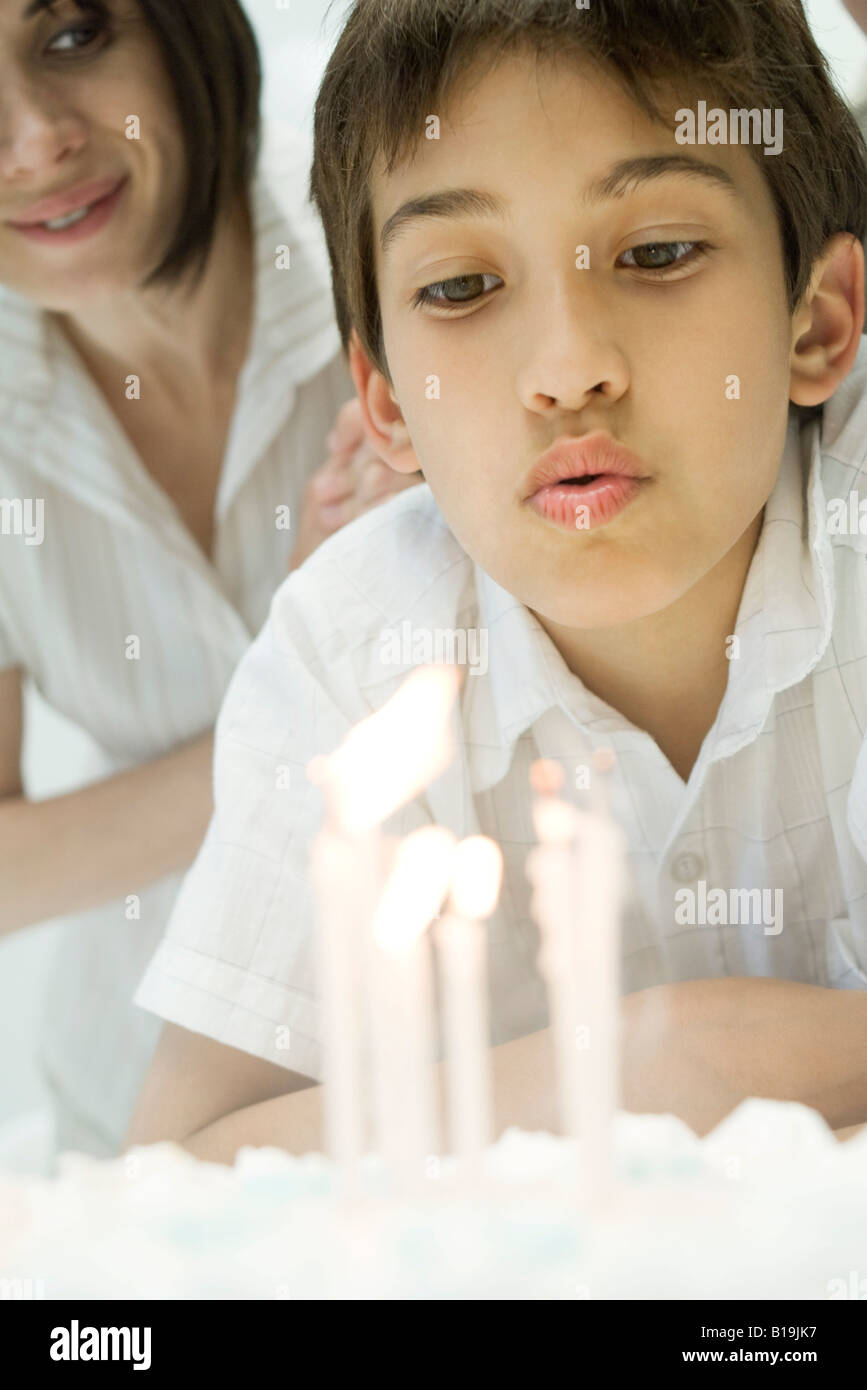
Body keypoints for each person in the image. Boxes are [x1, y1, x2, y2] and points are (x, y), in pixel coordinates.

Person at [127, 0, 867, 1161]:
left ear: (819, 323)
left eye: (657, 253)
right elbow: (179, 1160)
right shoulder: (351, 652)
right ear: (384, 406)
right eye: (463, 288)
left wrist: (724, 1061)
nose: (569, 370)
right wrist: (656, 1063)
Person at [0, 0, 413, 1162]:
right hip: (144, 1124)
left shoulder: (404, 238)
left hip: (483, 1085)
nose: (32, 138)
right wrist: (307, 681)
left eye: (73, 35)